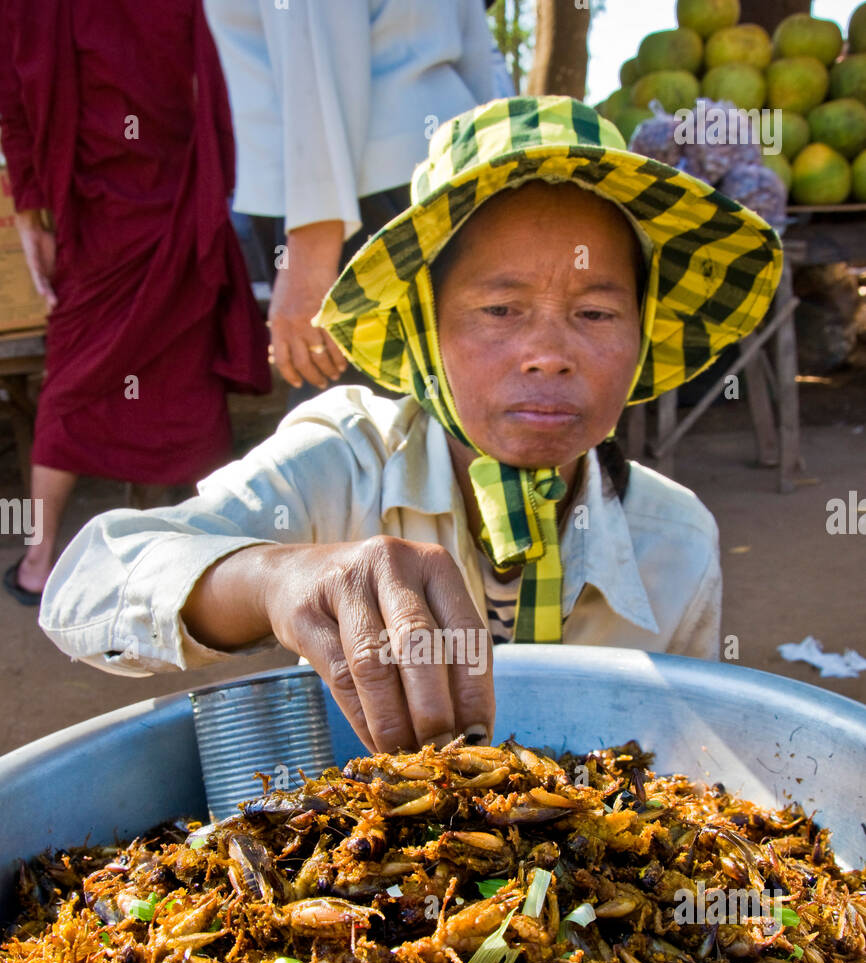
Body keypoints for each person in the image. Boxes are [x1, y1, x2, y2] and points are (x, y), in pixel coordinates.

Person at [40, 97, 783, 754]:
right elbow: (89, 582)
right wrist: (279, 578)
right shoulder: (344, 463)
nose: (550, 356)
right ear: (424, 326)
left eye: (596, 313)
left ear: (645, 330)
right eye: (499, 309)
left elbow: (690, 754)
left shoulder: (678, 540)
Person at [0, 0, 271, 604]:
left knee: (83, 376)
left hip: (125, 210)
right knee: (165, 372)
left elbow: (14, 96)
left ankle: (40, 559)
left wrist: (29, 206)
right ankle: (207, 550)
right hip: (138, 210)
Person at [203, 0, 497, 393]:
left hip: (350, 198)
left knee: (360, 435)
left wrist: (310, 253)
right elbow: (473, 44)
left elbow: (313, 40)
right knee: (445, 414)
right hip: (443, 172)